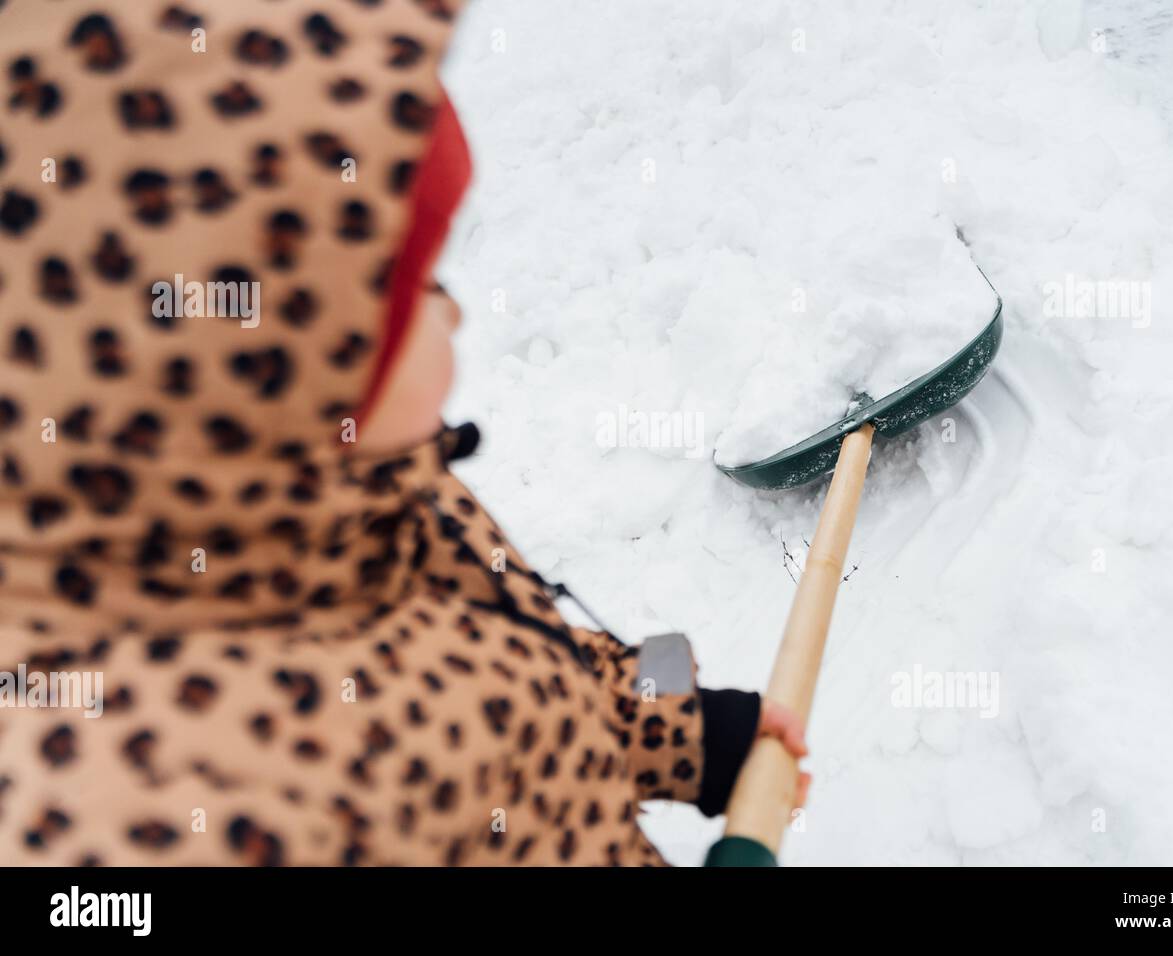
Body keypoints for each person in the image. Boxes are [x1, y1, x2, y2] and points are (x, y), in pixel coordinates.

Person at [0, 0, 807, 865]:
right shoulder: (182, 805)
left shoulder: (350, 493)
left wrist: (694, 728)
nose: (454, 309)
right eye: (417, 290)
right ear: (274, 365)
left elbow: (520, 663)